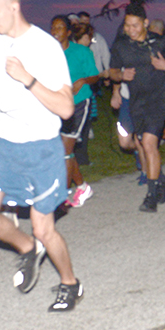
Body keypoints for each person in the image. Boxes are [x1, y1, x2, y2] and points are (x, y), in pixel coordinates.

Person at [0, 0, 82, 312]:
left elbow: (66, 108)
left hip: (42, 148)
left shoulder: (45, 47)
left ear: (14, 7)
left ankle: (70, 283)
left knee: (45, 228)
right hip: (4, 145)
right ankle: (28, 248)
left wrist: (27, 78)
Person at [107, 4, 165, 212]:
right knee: (142, 143)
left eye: (135, 25)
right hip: (136, 101)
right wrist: (121, 75)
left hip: (159, 99)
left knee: (149, 143)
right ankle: (161, 180)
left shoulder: (160, 42)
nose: (130, 29)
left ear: (145, 23)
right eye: (127, 25)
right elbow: (112, 72)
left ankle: (151, 195)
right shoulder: (121, 45)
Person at [50, 15, 102, 208]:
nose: (55, 31)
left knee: (64, 151)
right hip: (58, 105)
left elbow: (95, 76)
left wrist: (82, 81)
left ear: (68, 31)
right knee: (66, 150)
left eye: (60, 27)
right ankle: (82, 186)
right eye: (53, 28)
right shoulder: (48, 54)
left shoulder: (81, 51)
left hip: (79, 102)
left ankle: (62, 196)